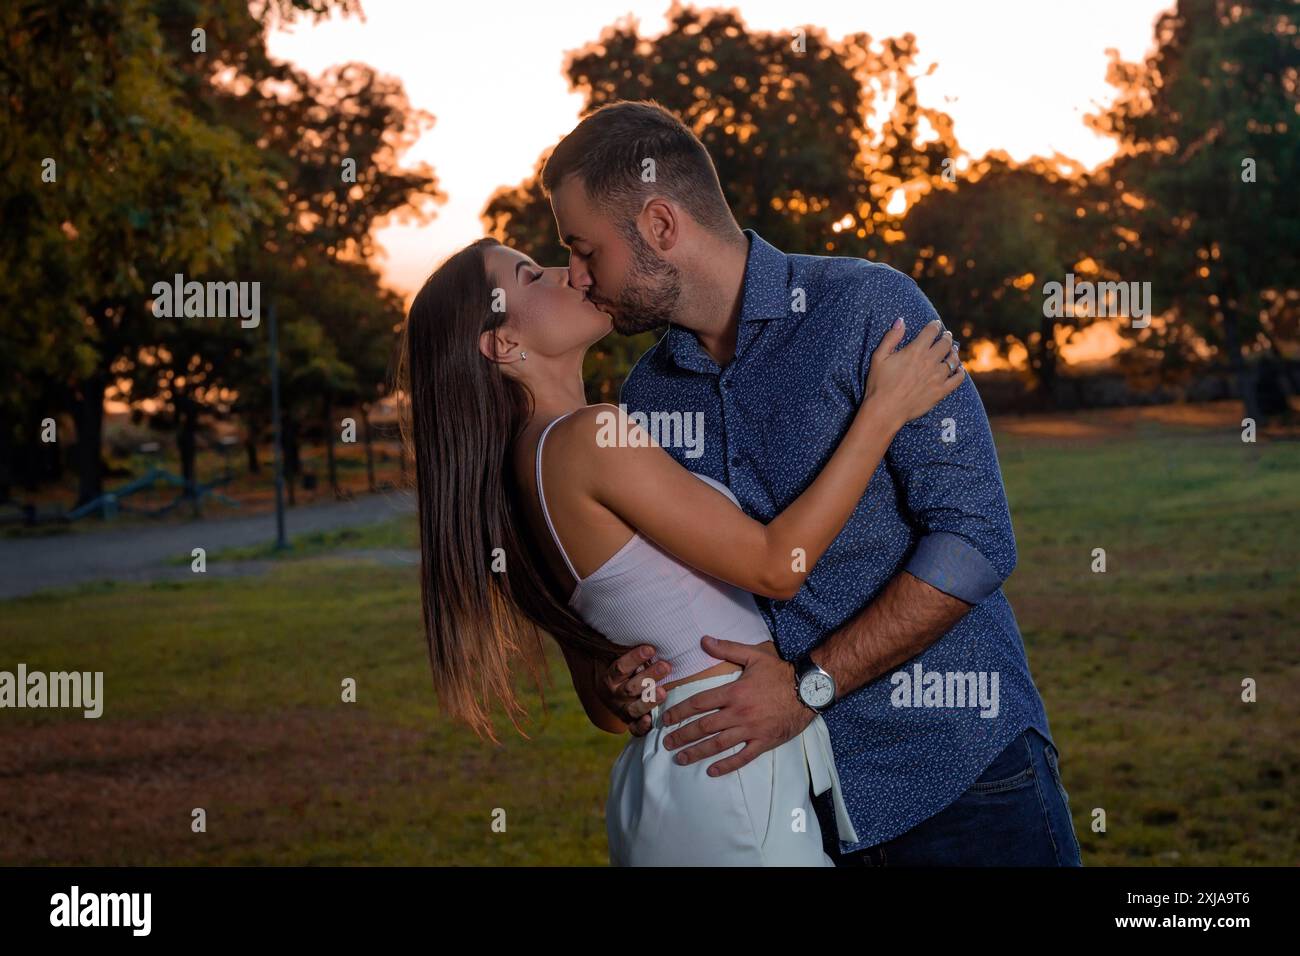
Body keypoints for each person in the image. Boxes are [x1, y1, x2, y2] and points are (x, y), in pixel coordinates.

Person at [540, 100, 1081, 866]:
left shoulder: (870, 309)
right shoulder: (645, 400)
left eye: (584, 248)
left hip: (961, 774)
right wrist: (619, 675)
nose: (577, 276)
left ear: (660, 226)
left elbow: (975, 538)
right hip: (796, 809)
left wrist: (809, 687)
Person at [398, 235, 964, 864]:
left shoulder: (524, 469)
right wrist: (882, 412)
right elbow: (777, 565)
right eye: (533, 276)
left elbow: (608, 705)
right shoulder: (588, 439)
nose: (569, 274)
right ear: (502, 343)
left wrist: (620, 685)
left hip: (691, 767)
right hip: (728, 770)